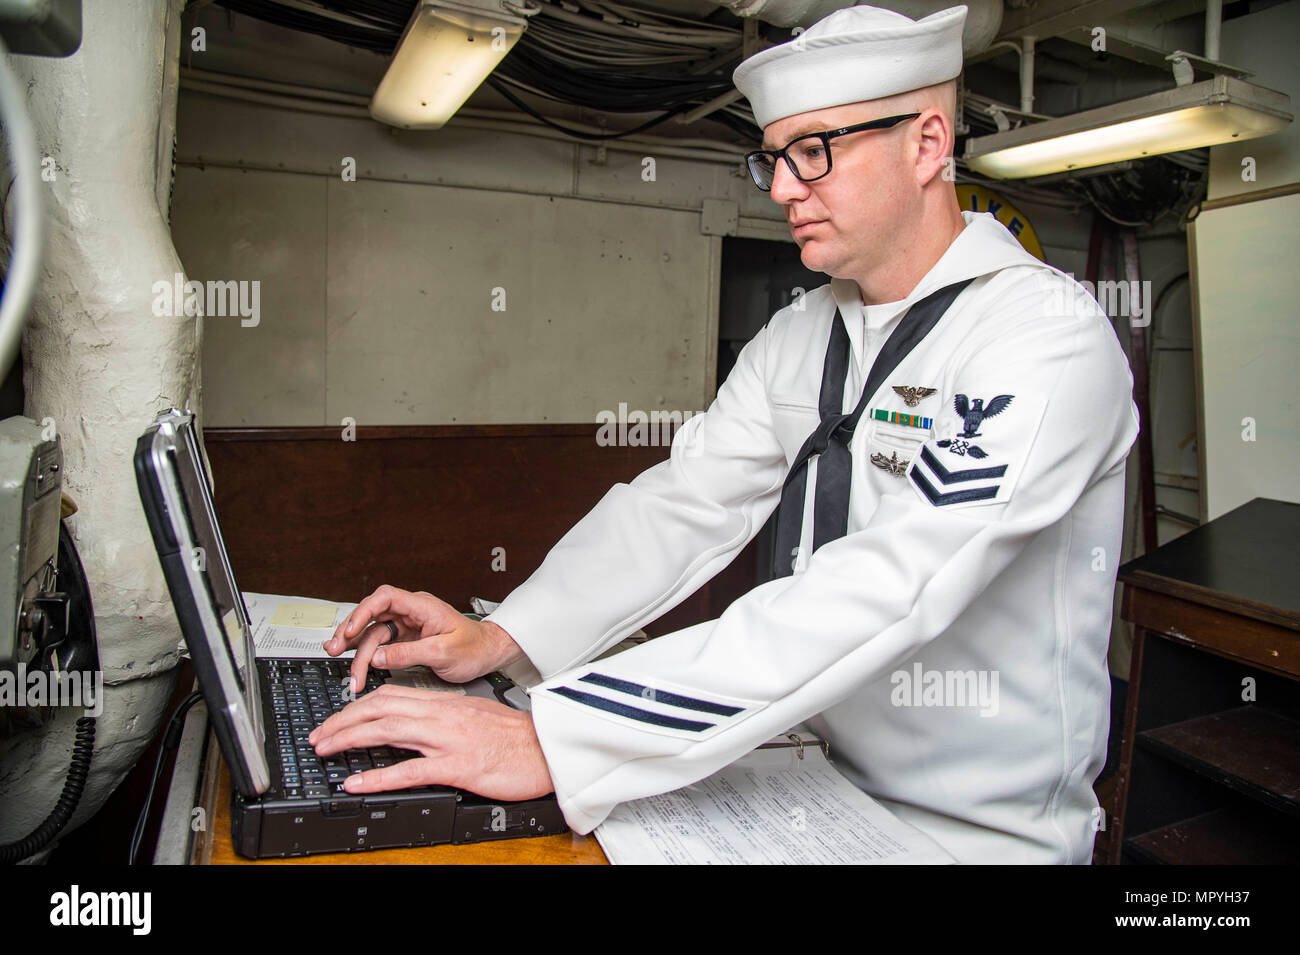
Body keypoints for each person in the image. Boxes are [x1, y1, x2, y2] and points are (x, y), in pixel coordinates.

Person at [308, 3, 1140, 863]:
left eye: (815, 150)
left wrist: (562, 737)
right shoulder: (803, 330)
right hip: (812, 780)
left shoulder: (1045, 334)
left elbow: (893, 585)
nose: (782, 188)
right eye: (774, 158)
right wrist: (505, 637)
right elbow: (682, 504)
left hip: (974, 836)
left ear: (927, 145)